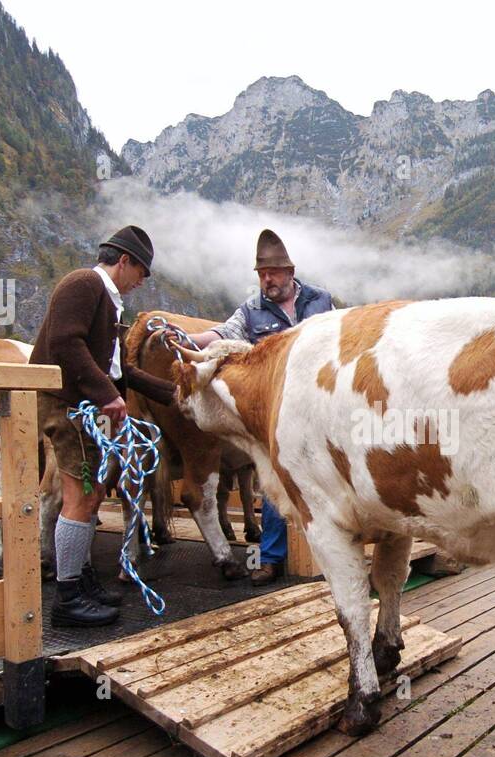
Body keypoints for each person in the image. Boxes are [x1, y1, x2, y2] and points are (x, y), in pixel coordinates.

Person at [30, 226, 177, 626]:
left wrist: (174, 393)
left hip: (83, 406)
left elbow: (118, 370)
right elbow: (65, 343)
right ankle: (67, 598)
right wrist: (106, 396)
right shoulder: (83, 283)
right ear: (125, 261)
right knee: (81, 498)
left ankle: (83, 580)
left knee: (91, 497)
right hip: (69, 407)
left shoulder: (107, 302)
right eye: (142, 273)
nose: (142, 282)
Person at [186, 229, 333, 586]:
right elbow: (224, 333)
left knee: (329, 480)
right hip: (278, 412)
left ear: (290, 271)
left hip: (321, 406)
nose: (267, 280)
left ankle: (328, 552)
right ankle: (271, 558)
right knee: (273, 482)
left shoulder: (321, 300)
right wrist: (187, 339)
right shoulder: (251, 311)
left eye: (273, 273)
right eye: (262, 274)